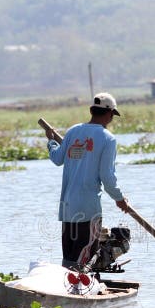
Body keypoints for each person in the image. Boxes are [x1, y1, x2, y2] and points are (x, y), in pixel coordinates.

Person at [45, 92, 129, 269]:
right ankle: (82, 292)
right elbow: (107, 177)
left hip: (68, 208)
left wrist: (52, 142)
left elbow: (57, 158)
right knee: (85, 261)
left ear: (93, 111)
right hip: (88, 210)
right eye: (112, 116)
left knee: (69, 260)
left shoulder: (73, 131)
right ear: (109, 114)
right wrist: (119, 199)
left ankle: (68, 291)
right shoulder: (107, 138)